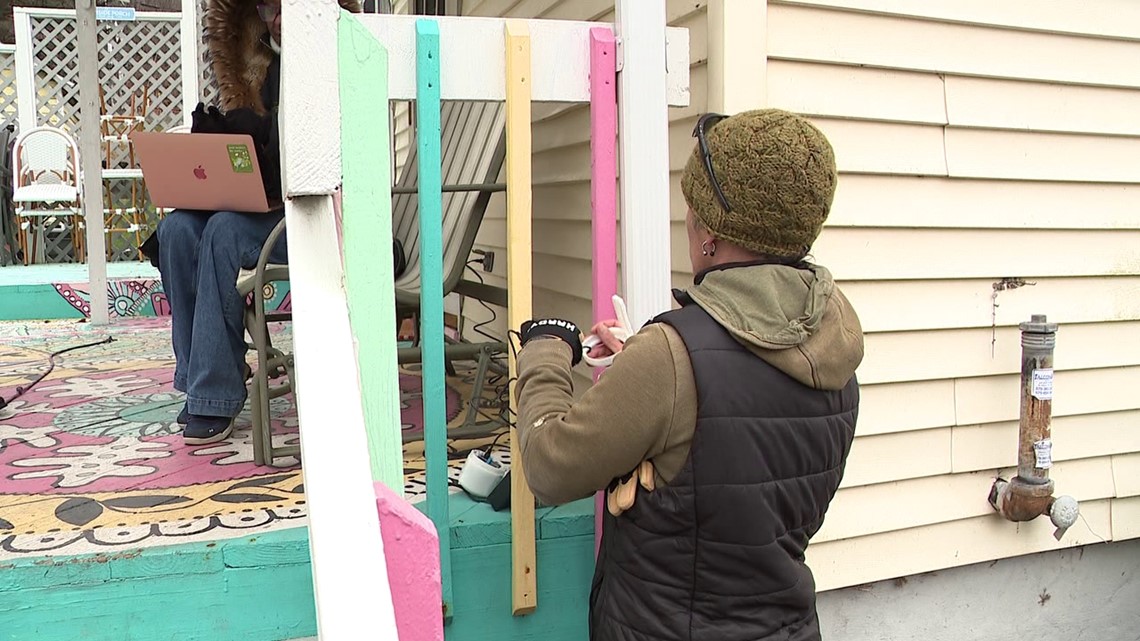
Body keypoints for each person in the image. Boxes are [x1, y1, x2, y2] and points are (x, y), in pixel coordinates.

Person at [514, 109, 864, 641]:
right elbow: (740, 437)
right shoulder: (833, 347)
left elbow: (550, 466)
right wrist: (648, 364)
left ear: (708, 234)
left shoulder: (671, 360)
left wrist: (543, 351)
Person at [154, 0, 360, 444]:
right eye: (269, 9)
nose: (280, 18)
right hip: (267, 208)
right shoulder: (263, 73)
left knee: (225, 230)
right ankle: (197, 379)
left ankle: (216, 395)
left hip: (319, 217)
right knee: (177, 230)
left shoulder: (342, 67)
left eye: (291, 5)